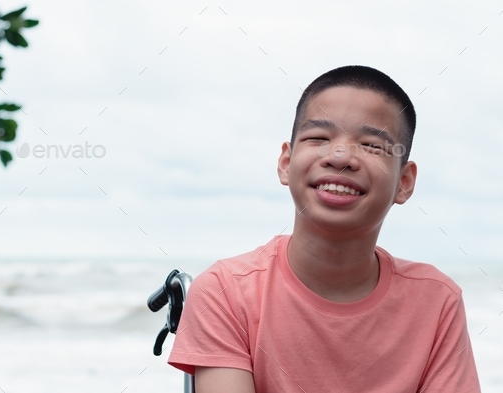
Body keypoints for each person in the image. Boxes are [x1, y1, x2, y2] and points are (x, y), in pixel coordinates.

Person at [167, 65, 481, 392]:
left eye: (372, 145)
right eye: (319, 138)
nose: (341, 156)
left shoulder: (436, 301)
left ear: (404, 181)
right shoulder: (224, 291)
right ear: (286, 163)